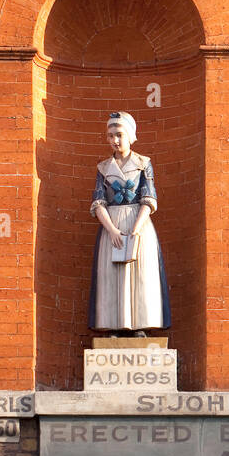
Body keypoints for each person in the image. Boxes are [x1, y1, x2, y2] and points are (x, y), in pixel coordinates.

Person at [88, 111, 171, 335]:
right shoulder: (103, 168)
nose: (114, 140)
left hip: (139, 225)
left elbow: (149, 198)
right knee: (110, 275)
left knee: (140, 274)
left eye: (119, 134)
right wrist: (112, 230)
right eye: (110, 136)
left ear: (130, 135)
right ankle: (112, 323)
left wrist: (135, 230)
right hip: (111, 226)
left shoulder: (143, 164)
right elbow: (98, 202)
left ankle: (139, 325)